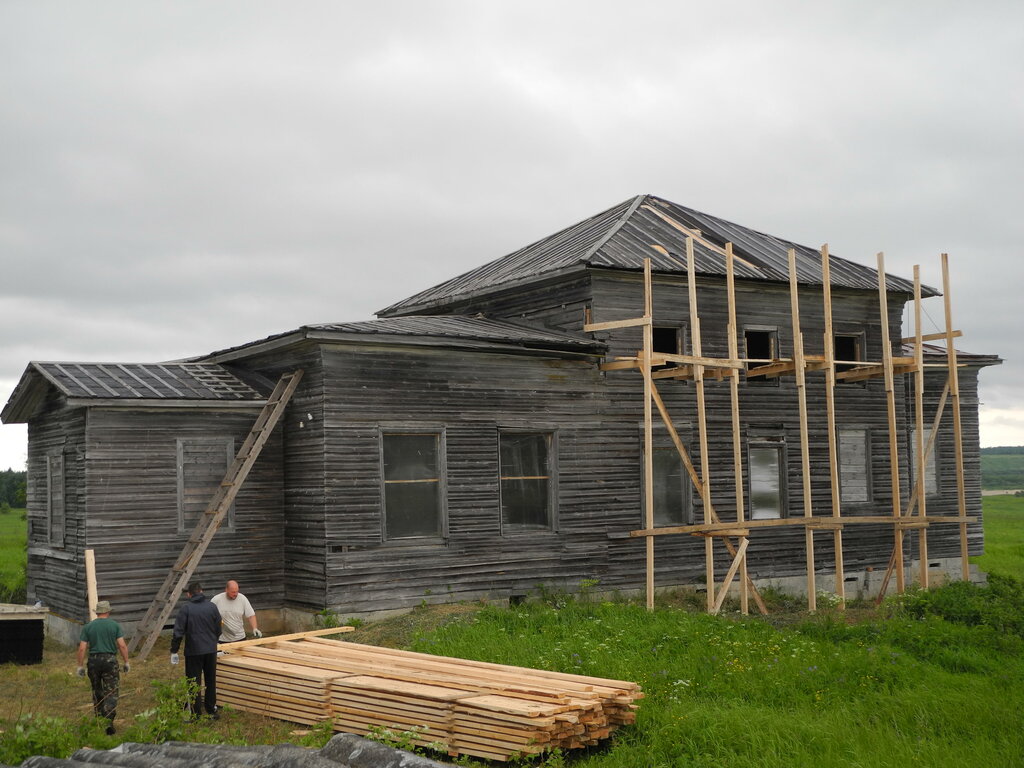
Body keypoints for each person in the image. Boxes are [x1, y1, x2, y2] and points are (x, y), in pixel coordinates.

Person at [77, 599, 130, 735]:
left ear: (97, 612)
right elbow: (122, 645)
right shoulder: (114, 626)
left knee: (97, 691)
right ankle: (108, 721)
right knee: (111, 692)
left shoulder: (88, 627)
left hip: (93, 661)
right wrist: (126, 662)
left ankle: (99, 720)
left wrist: (80, 666)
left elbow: (82, 648)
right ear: (108, 612)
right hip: (109, 660)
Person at [170, 581, 222, 719]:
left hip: (194, 651)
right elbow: (218, 628)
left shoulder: (186, 609)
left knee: (193, 681)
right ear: (202, 591)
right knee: (211, 680)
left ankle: (195, 713)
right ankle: (211, 710)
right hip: (211, 650)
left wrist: (174, 650)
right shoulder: (212, 607)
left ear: (189, 594)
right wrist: (213, 641)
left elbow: (178, 632)